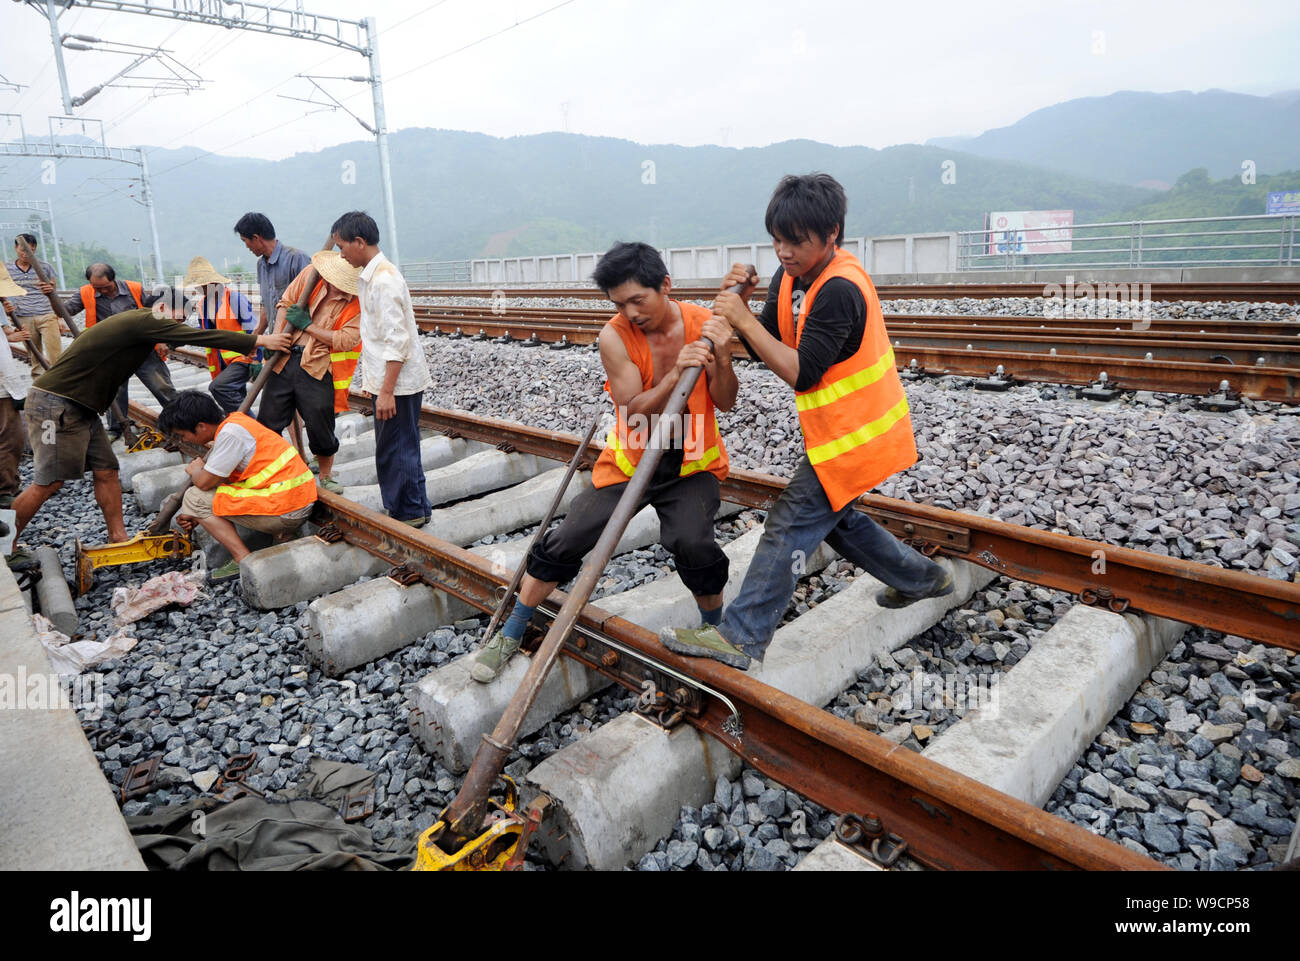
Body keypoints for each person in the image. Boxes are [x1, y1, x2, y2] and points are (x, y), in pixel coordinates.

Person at [661, 173, 952, 671]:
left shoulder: (840, 288)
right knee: (835, 522)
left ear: (832, 233)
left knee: (789, 524)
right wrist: (744, 313)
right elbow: (772, 339)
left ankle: (740, 635)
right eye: (777, 240)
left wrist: (742, 320)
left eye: (796, 241)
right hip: (838, 434)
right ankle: (923, 579)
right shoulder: (794, 276)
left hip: (859, 436)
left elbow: (801, 372)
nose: (784, 251)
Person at [471, 241, 737, 682]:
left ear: (665, 286)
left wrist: (722, 356)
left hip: (691, 464)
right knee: (570, 537)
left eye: (638, 299)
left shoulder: (703, 325)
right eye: (620, 303)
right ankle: (513, 628)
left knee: (694, 542)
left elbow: (726, 401)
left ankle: (714, 630)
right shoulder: (613, 336)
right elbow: (633, 406)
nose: (631, 312)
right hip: (632, 461)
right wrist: (675, 376)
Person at [10, 286, 292, 546]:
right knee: (49, 481)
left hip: (81, 408)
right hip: (55, 407)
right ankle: (4, 541)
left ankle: (118, 537)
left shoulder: (141, 328)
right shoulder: (146, 320)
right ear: (165, 308)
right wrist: (258, 339)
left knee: (107, 471)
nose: (181, 322)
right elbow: (196, 336)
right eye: (181, 315)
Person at [332, 210, 432, 526]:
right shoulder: (374, 277)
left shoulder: (384, 280)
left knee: (397, 448)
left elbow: (397, 341)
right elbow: (377, 338)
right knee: (398, 445)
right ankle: (413, 508)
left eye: (342, 246)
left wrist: (386, 390)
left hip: (398, 384)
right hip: (390, 381)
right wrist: (373, 382)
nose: (341, 255)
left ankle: (410, 513)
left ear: (359, 242)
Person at [159, 391, 317, 582]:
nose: (183, 441)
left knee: (194, 497)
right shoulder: (237, 423)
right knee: (199, 501)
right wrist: (196, 514)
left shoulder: (230, 435)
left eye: (182, 435)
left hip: (286, 509)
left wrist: (196, 470)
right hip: (294, 499)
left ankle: (243, 559)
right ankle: (282, 535)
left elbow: (204, 482)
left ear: (201, 426)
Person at [257, 250, 362, 495]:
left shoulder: (357, 301)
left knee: (319, 422)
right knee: (268, 421)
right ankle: (273, 471)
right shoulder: (310, 276)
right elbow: (285, 302)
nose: (337, 289)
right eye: (335, 282)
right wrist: (277, 337)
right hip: (284, 357)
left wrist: (309, 327)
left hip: (317, 364)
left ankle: (325, 475)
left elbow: (345, 340)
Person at [63, 261, 176, 434]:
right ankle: (117, 427)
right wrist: (50, 296)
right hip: (111, 352)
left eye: (106, 287)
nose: (102, 291)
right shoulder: (85, 292)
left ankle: (180, 419)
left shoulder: (134, 289)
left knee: (161, 386)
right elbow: (66, 311)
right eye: (97, 288)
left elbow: (153, 313)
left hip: (142, 348)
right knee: (114, 391)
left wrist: (161, 339)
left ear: (113, 280)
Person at [184, 256, 258, 414]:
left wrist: (257, 359)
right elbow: (206, 330)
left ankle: (251, 425)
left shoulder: (234, 299)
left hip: (242, 357)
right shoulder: (203, 304)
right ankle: (244, 429)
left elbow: (253, 329)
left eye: (199, 285)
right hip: (221, 361)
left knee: (219, 387)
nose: (197, 289)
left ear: (210, 283)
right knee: (235, 396)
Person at [234, 212, 311, 335]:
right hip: (276, 341)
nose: (246, 247)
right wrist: (254, 340)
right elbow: (266, 307)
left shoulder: (297, 259)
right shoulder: (261, 266)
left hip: (299, 341)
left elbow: (313, 301)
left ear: (255, 238)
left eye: (245, 241)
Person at [2, 234, 65, 374]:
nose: (25, 254)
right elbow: (4, 293)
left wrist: (59, 318)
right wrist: (7, 316)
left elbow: (53, 293)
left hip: (46, 314)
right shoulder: (6, 269)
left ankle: (59, 382)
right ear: (16, 248)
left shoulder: (45, 267)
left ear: (35, 249)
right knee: (35, 357)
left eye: (29, 250)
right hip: (22, 316)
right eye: (22, 250)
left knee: (56, 355)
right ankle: (39, 383)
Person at [0, 265, 32, 535]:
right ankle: (7, 541)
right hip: (2, 392)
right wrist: (18, 393)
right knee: (9, 446)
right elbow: (2, 362)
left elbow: (4, 337)